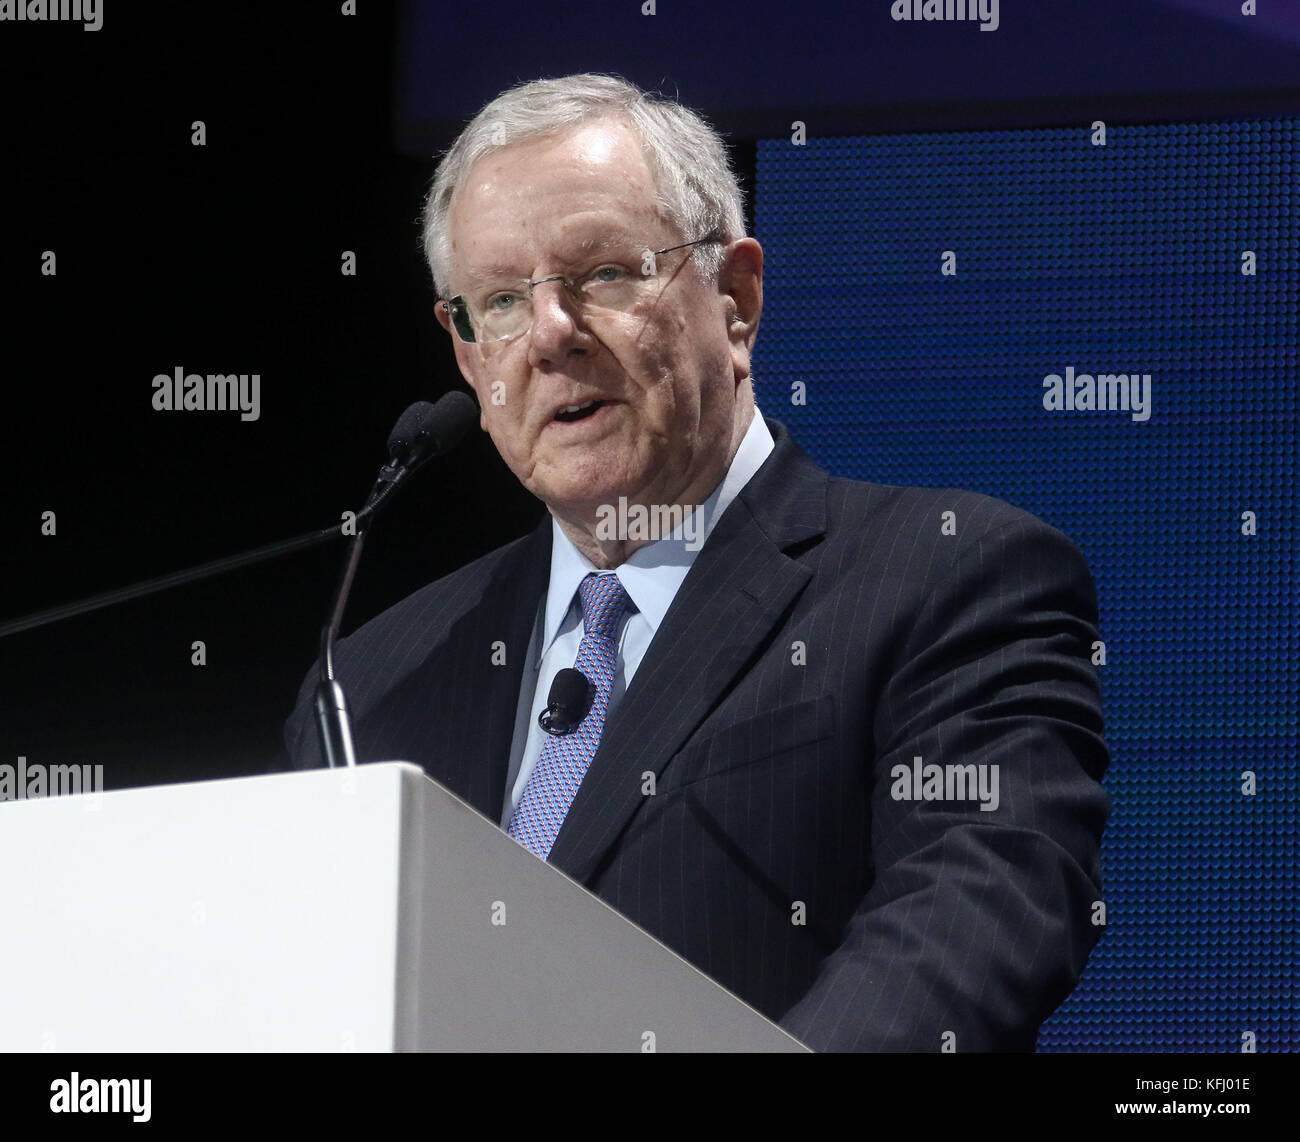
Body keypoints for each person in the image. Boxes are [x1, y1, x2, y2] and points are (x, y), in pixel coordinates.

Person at [284, 73, 1111, 1052]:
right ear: (466, 354)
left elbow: (971, 921)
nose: (550, 334)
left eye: (604, 273)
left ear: (736, 298)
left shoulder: (951, 579)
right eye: (501, 300)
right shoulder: (370, 685)